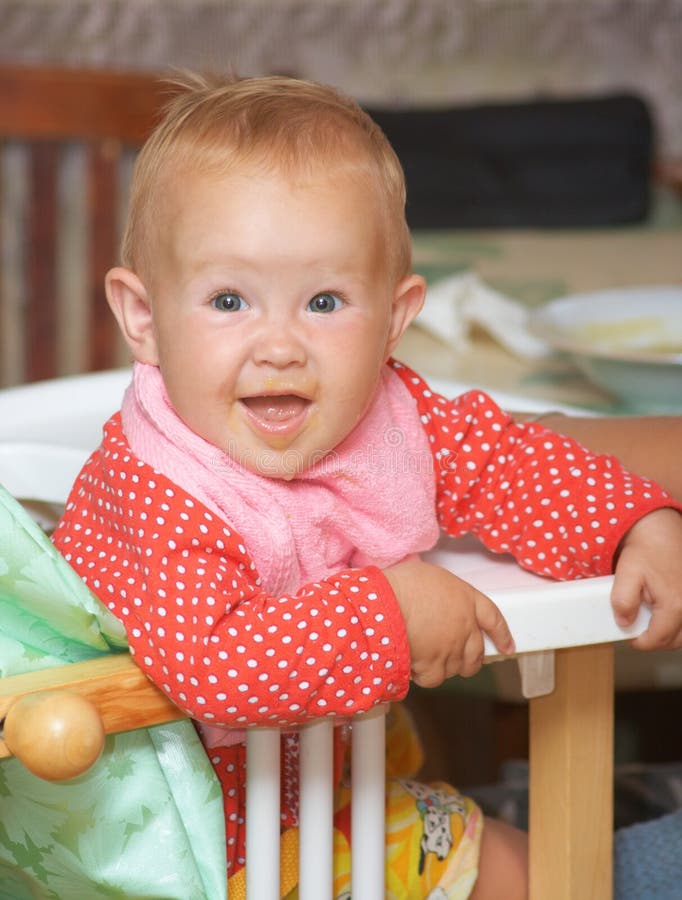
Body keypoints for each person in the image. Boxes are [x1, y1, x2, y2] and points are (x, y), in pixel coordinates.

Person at [52, 72, 682, 899]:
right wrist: (394, 609)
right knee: (536, 872)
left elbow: (503, 461)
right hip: (176, 845)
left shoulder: (387, 416)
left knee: (520, 847)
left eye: (323, 301)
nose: (279, 346)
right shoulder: (161, 486)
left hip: (316, 787)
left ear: (394, 315)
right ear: (143, 316)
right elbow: (218, 665)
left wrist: (637, 522)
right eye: (229, 299)